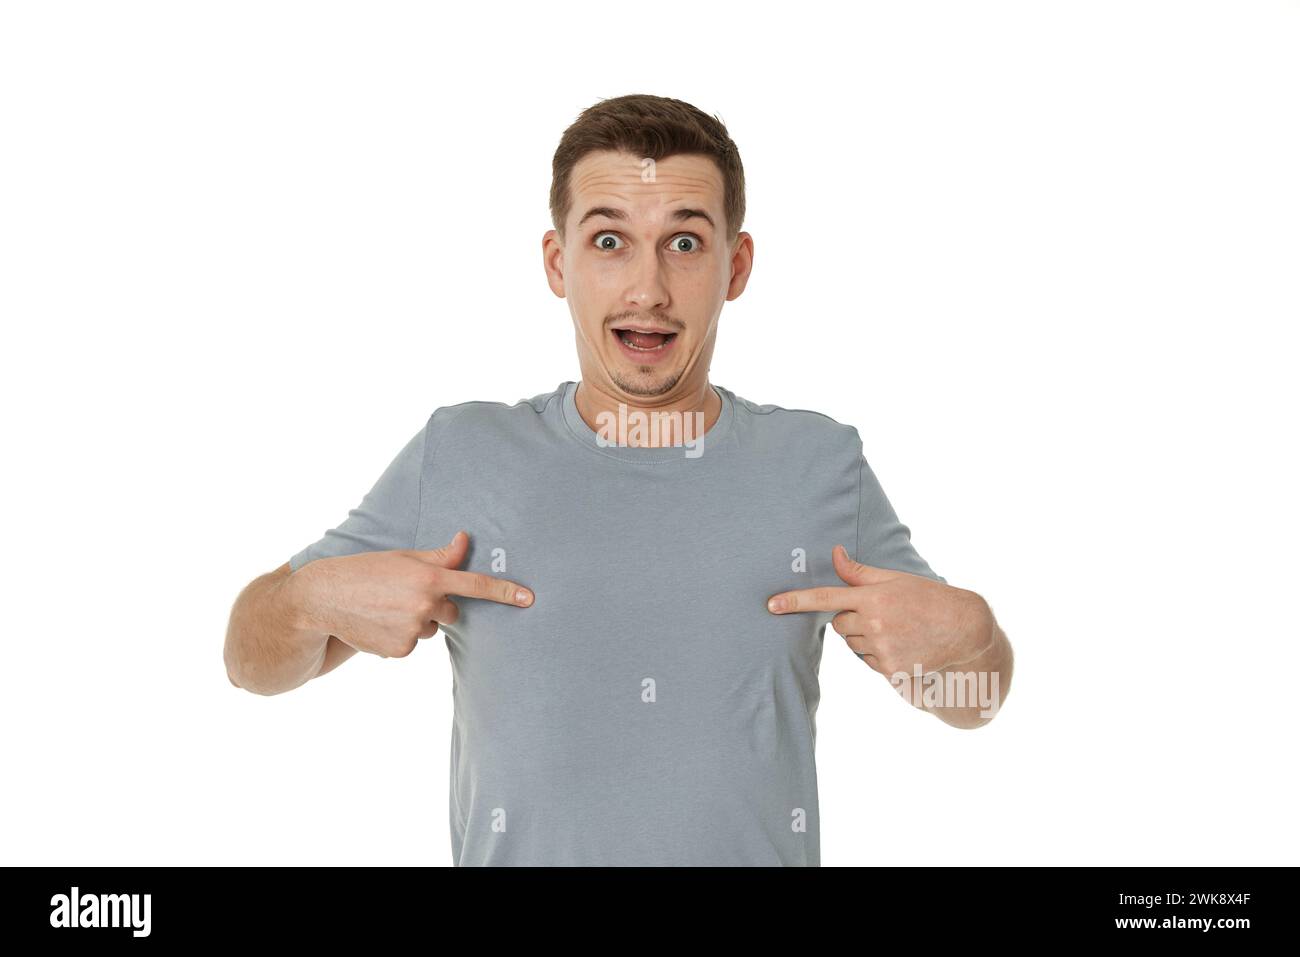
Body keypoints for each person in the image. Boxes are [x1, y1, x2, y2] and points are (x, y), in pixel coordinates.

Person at [224, 93, 1014, 866]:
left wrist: (972, 638)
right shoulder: (460, 451)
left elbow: (971, 701)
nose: (648, 290)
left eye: (684, 243)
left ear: (734, 266)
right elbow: (249, 661)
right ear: (556, 262)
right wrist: (312, 598)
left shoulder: (818, 463)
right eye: (609, 242)